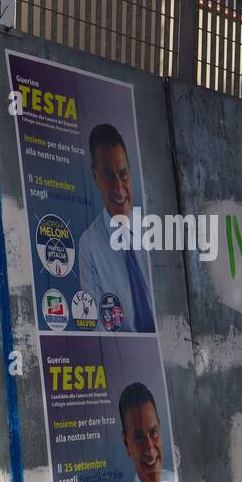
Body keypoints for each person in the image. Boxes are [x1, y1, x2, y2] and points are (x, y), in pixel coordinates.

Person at [76, 124, 154, 333]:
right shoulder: (89, 245)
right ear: (95, 176)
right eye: (109, 176)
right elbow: (96, 329)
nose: (119, 189)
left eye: (123, 174)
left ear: (130, 170)